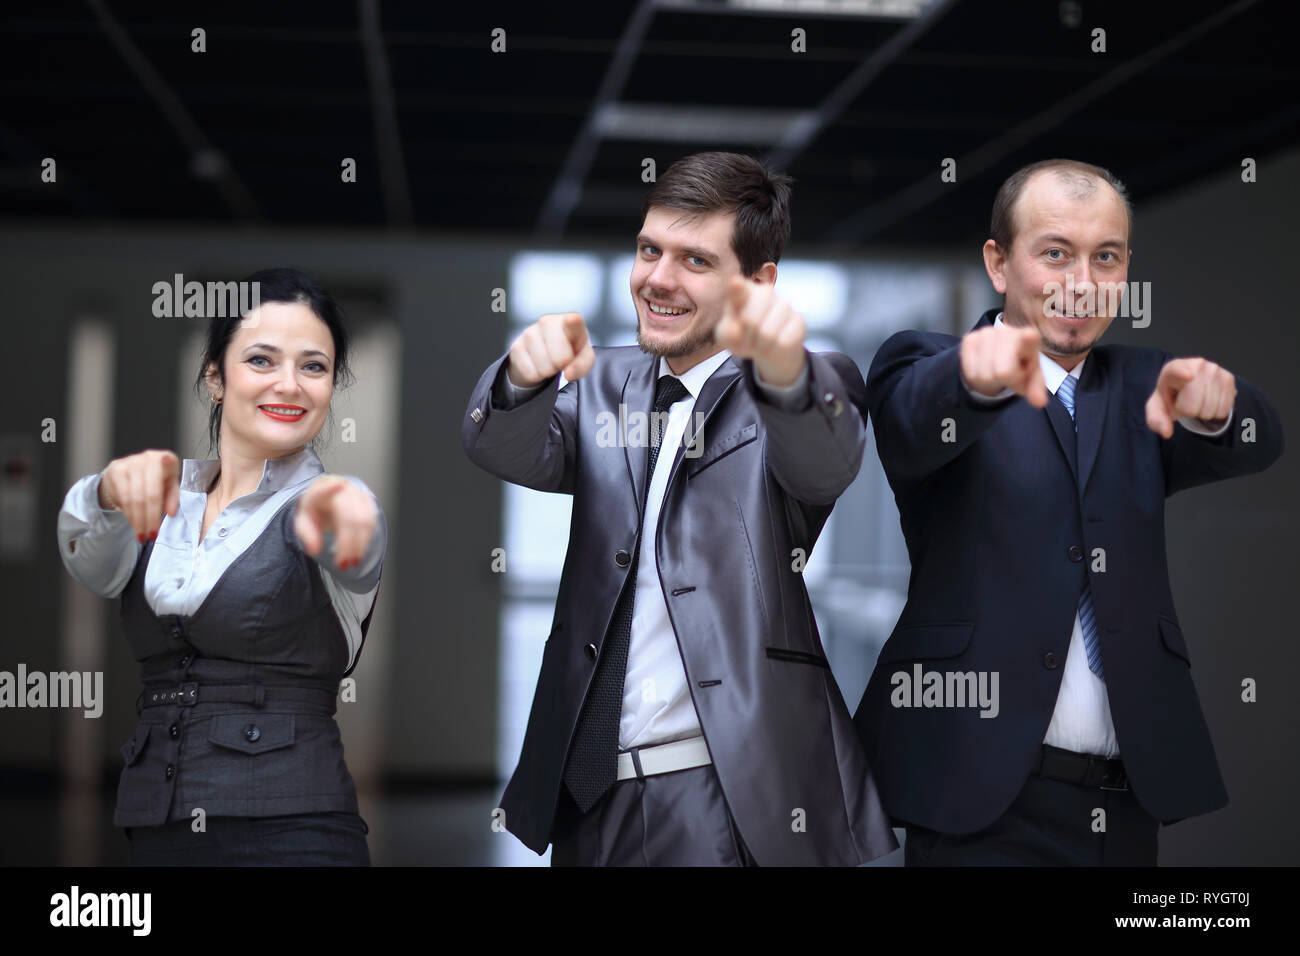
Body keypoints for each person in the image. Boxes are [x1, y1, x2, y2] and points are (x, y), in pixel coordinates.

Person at [463, 151, 896, 865]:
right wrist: (519, 377)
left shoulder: (796, 389)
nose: (657, 279)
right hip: (587, 795)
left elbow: (823, 461)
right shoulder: (602, 384)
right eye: (648, 250)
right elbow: (501, 450)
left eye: (694, 260)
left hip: (719, 793)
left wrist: (786, 373)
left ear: (757, 284)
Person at [853, 159, 1284, 865]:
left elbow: (1261, 442)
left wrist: (1221, 406)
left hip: (1124, 801)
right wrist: (971, 378)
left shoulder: (1147, 384)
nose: (1082, 285)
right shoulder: (928, 362)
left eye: (1105, 258)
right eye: (1055, 254)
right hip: (980, 794)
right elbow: (908, 425)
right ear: (998, 263)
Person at [57, 267, 386, 866]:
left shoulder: (329, 499)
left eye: (313, 366)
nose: (289, 385)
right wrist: (104, 490)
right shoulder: (165, 502)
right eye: (262, 360)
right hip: (157, 827)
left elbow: (355, 546)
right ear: (215, 375)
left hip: (295, 833)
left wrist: (348, 518)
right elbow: (91, 563)